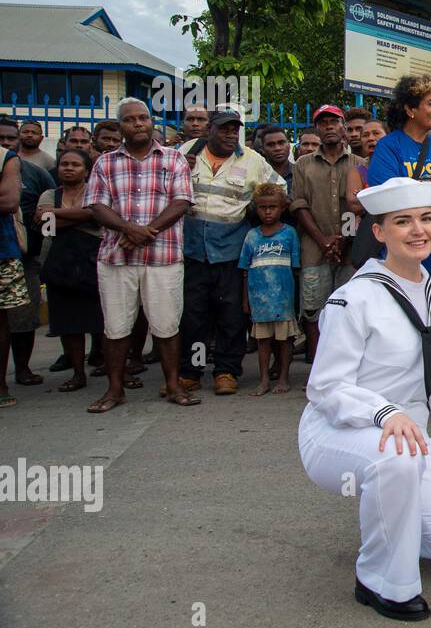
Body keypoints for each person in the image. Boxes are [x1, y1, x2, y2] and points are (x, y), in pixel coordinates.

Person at [298, 176, 431, 622]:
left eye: (426, 219)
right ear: (379, 232)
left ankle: (391, 529)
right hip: (340, 430)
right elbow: (325, 387)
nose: (418, 230)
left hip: (412, 435)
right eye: (402, 222)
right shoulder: (354, 298)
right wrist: (384, 411)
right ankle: (382, 581)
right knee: (397, 458)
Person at [84, 98, 197, 412]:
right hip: (117, 259)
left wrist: (145, 231)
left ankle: (173, 385)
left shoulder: (174, 159)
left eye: (143, 118)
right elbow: (96, 206)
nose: (137, 124)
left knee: (167, 325)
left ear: (151, 122)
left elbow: (181, 202)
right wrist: (128, 229)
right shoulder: (105, 163)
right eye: (130, 119)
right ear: (121, 126)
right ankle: (114, 389)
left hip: (163, 257)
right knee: (116, 327)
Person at [177, 108, 283, 394]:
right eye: (223, 128)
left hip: (232, 247)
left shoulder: (252, 160)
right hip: (192, 247)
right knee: (194, 315)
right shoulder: (187, 150)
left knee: (231, 314)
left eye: (234, 129)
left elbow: (278, 190)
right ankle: (191, 371)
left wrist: (255, 211)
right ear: (210, 128)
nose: (229, 134)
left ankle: (226, 371)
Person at [291, 105, 364, 362]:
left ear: (343, 126)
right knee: (313, 309)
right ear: (317, 129)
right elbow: (299, 204)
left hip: (351, 248)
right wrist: (323, 242)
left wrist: (343, 240)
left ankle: (345, 366)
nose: (329, 127)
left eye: (334, 121)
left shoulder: (359, 164)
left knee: (348, 310)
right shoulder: (303, 164)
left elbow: (361, 206)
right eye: (323, 123)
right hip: (314, 248)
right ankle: (317, 364)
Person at [365, 77, 431, 281]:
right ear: (410, 109)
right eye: (430, 103)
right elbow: (389, 195)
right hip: (403, 253)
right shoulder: (389, 146)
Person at [35, 149, 104, 393]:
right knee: (67, 322)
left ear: (86, 170)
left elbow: (98, 216)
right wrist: (83, 216)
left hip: (91, 262)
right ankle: (77, 373)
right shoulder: (49, 194)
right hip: (60, 264)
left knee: (102, 318)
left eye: (75, 164)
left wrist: (56, 214)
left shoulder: (95, 190)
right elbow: (44, 225)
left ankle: (104, 363)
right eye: (64, 164)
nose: (69, 168)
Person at [0, 117, 55, 388]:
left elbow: (49, 205)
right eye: (3, 137)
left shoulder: (35, 172)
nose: (7, 142)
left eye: (11, 138)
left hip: (23, 255)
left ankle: (22, 369)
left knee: (24, 317)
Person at [240, 183, 301, 395]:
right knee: (263, 340)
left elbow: (295, 269)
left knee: (285, 340)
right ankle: (264, 379)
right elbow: (245, 270)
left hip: (283, 299)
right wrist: (245, 301)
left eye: (273, 207)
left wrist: (295, 299)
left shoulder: (290, 234)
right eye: (262, 207)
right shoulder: (251, 236)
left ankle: (283, 377)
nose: (267, 211)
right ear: (256, 208)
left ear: (282, 207)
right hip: (259, 300)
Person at [0, 139, 26, 408]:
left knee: (2, 320)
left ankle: (1, 385)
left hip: (2, 250)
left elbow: (8, 201)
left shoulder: (5, 157)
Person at [260, 126, 295, 194]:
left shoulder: (300, 173)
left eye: (281, 143)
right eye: (271, 145)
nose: (277, 148)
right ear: (262, 149)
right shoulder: (257, 174)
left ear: (288, 144)